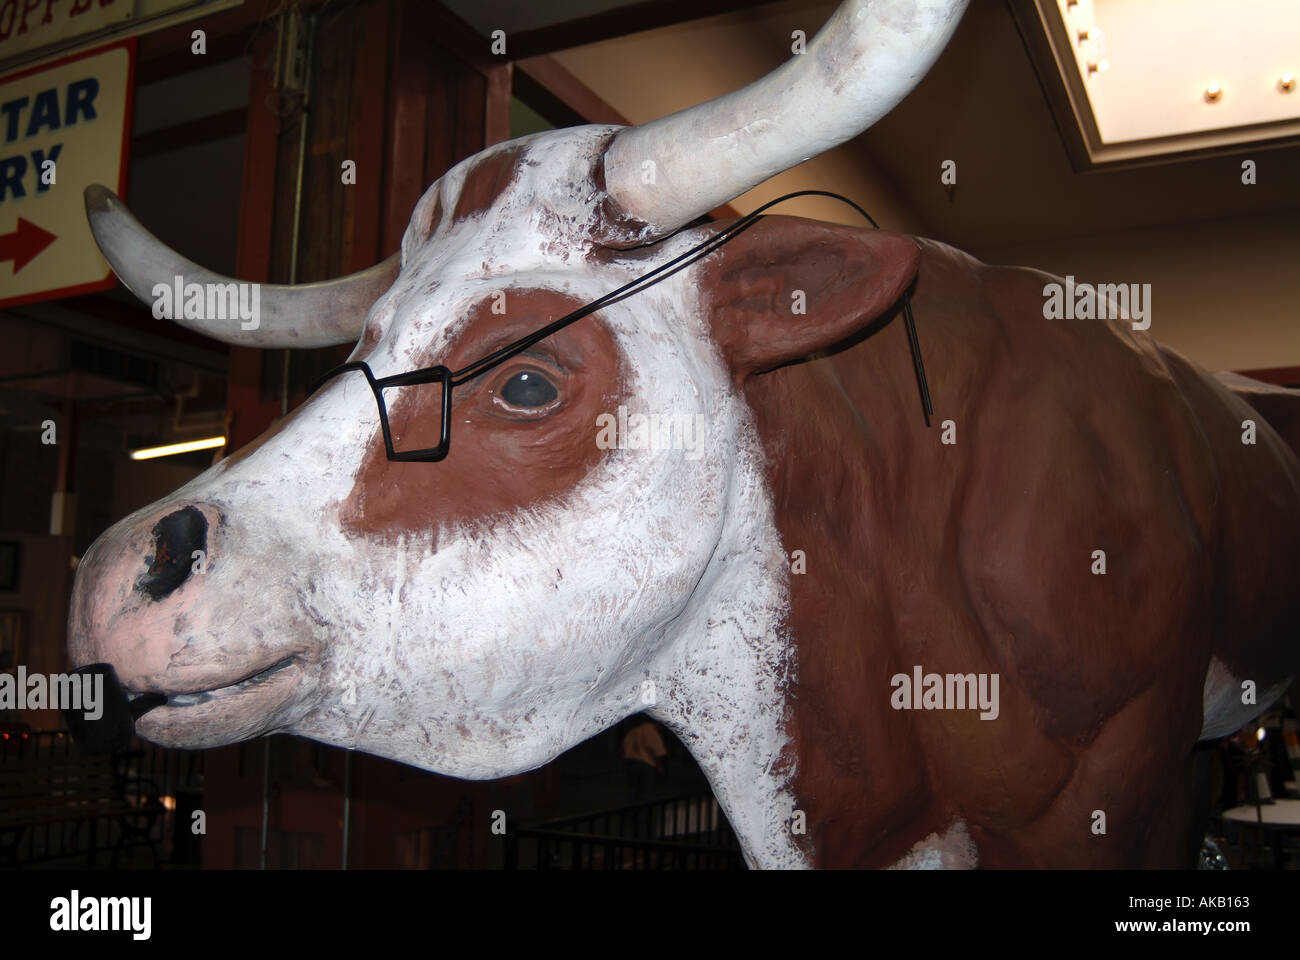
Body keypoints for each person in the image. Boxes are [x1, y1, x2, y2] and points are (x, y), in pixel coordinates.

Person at [622, 717, 668, 802]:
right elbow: (656, 749)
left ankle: (633, 812)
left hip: (630, 763)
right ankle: (645, 813)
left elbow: (625, 747)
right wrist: (660, 766)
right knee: (646, 793)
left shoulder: (632, 731)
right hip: (645, 764)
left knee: (633, 791)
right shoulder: (650, 730)